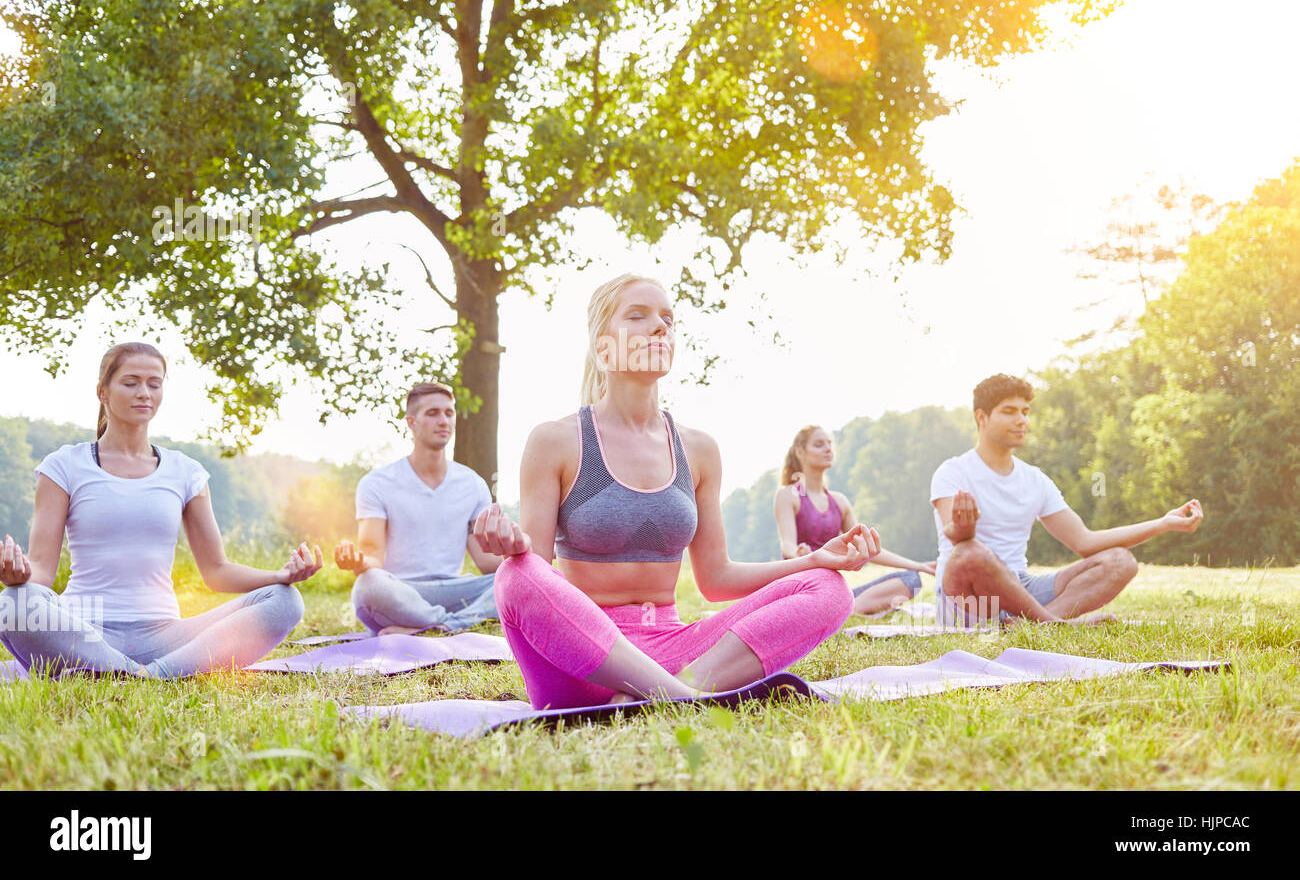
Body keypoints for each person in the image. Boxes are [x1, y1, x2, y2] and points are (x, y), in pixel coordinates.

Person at [473, 273, 883, 710]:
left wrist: (815, 559)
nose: (660, 327)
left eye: (668, 319)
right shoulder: (556, 440)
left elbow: (717, 579)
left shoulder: (699, 449)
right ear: (602, 344)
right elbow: (538, 575)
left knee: (829, 588)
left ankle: (670, 694)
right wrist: (513, 547)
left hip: (676, 649)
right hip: (584, 662)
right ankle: (684, 699)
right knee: (515, 574)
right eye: (638, 315)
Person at [0, 342, 321, 679]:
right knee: (14, 603)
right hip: (83, 628)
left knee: (286, 601)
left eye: (154, 384)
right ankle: (132, 671)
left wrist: (280, 577)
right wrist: (18, 577)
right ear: (103, 392)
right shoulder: (64, 465)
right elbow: (42, 574)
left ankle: (148, 674)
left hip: (165, 636)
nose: (144, 393)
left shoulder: (186, 472)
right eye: (131, 382)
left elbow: (217, 571)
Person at [931, 373, 1204, 627]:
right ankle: (1051, 625)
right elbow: (954, 537)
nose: (1022, 420)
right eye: (1009, 411)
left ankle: (1036, 626)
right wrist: (964, 531)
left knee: (1121, 561)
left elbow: (1085, 543)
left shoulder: (1035, 480)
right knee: (971, 552)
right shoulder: (953, 471)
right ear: (982, 417)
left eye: (1025, 412)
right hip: (970, 599)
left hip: (1021, 589)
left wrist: (1163, 523)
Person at [333, 382, 504, 635]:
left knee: (522, 581)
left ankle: (440, 626)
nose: (444, 421)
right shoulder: (377, 483)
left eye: (449, 413)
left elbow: (487, 563)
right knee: (367, 586)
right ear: (411, 423)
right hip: (400, 591)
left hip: (455, 590)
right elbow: (373, 557)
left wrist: (521, 555)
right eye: (432, 413)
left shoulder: (472, 484)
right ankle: (454, 623)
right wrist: (357, 562)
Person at [773, 425, 935, 615]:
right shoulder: (788, 494)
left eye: (829, 443)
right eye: (819, 445)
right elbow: (787, 545)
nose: (827, 449)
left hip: (832, 590)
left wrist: (919, 566)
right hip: (801, 588)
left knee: (911, 579)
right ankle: (838, 610)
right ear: (800, 452)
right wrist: (800, 554)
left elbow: (868, 549)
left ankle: (845, 610)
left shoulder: (840, 502)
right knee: (823, 597)